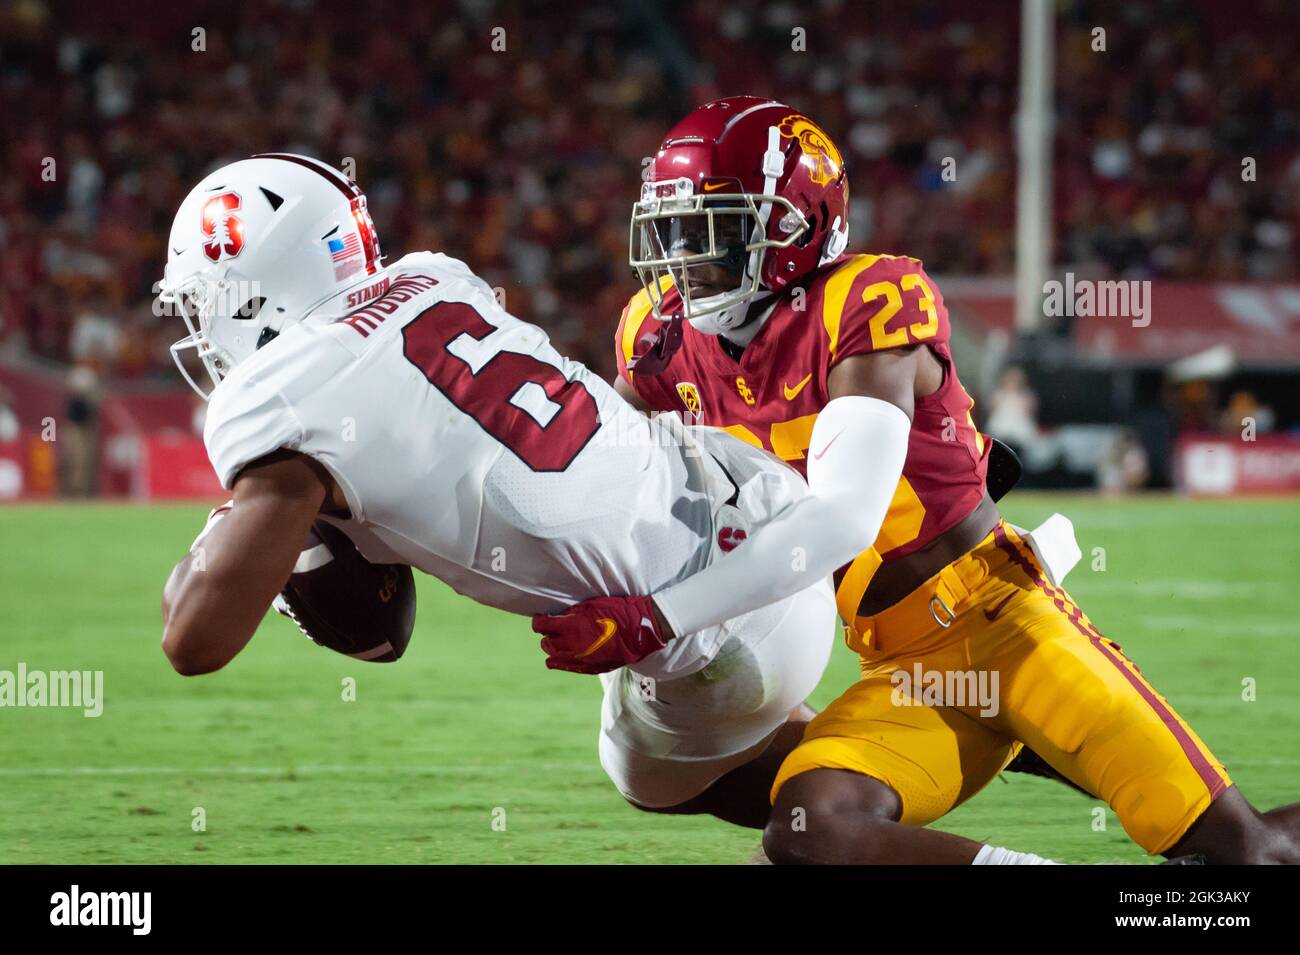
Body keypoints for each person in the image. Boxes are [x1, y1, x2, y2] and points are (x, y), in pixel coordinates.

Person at [533, 97, 1300, 864]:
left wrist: (658, 616)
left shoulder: (862, 301)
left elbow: (846, 517)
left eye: (719, 231)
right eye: (675, 231)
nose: (688, 258)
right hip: (897, 663)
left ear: (799, 226)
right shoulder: (661, 336)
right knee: (806, 833)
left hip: (1005, 624)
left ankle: (1044, 737)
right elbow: (597, 464)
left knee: (1244, 856)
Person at [156, 153, 836, 826]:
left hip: (713, 627)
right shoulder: (433, 276)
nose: (199, 325)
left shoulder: (284, 395)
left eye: (200, 300)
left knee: (661, 781)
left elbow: (196, 641)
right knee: (740, 768)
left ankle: (855, 809)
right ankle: (864, 774)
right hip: (763, 516)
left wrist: (235, 522)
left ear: (252, 290)